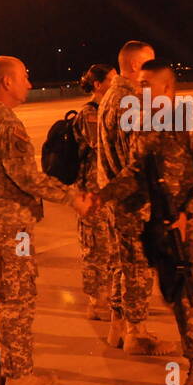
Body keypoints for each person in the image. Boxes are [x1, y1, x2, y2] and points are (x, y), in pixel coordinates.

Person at [0, 56, 94, 385]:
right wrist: (71, 197)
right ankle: (19, 376)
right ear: (6, 82)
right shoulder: (5, 122)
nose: (29, 85)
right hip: (10, 227)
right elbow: (26, 177)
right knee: (17, 299)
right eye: (25, 78)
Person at [98, 60, 193, 385]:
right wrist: (101, 197)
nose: (139, 91)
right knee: (176, 298)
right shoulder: (144, 125)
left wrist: (189, 214)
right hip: (164, 227)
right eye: (139, 84)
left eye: (147, 85)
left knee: (192, 300)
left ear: (167, 89)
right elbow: (135, 173)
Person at [96, 40, 179, 355]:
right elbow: (140, 161)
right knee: (137, 267)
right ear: (134, 66)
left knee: (123, 264)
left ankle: (118, 327)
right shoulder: (131, 101)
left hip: (115, 196)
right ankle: (137, 332)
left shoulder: (110, 96)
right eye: (149, 63)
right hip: (132, 200)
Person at [74, 64, 117, 320]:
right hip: (91, 191)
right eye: (111, 80)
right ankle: (95, 301)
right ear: (98, 84)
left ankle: (111, 297)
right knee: (95, 248)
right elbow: (99, 145)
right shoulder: (90, 114)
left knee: (110, 247)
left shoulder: (107, 111)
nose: (115, 83)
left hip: (107, 190)